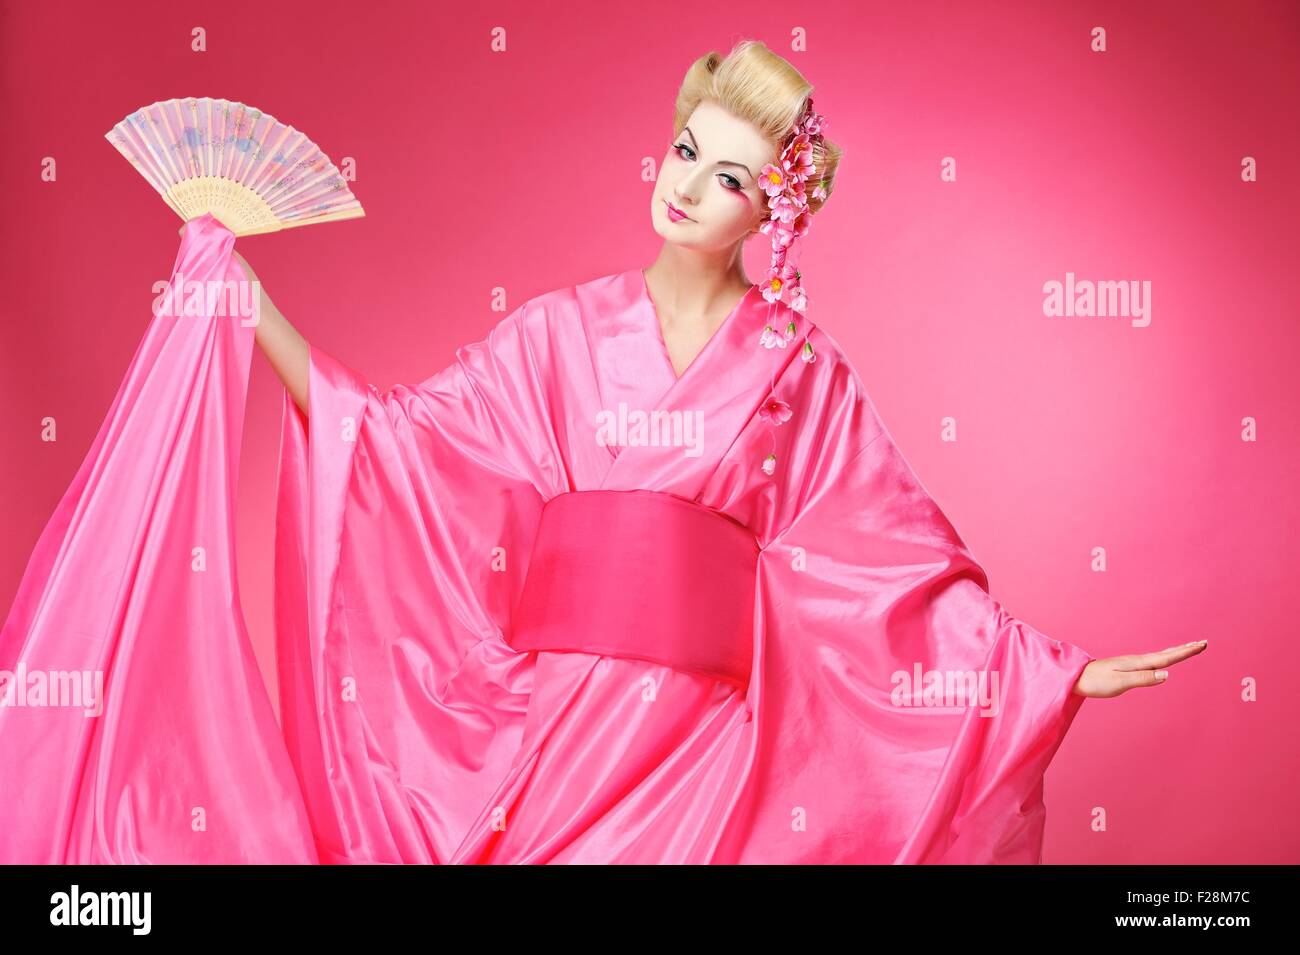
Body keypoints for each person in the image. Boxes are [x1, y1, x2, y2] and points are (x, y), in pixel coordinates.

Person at [0, 39, 1205, 865]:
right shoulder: (558, 334)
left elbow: (882, 564)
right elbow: (405, 450)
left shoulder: (799, 371)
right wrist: (239, 290)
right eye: (687, 149)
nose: (688, 184)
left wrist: (1041, 674)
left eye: (729, 176)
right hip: (556, 731)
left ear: (770, 214)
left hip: (706, 751)